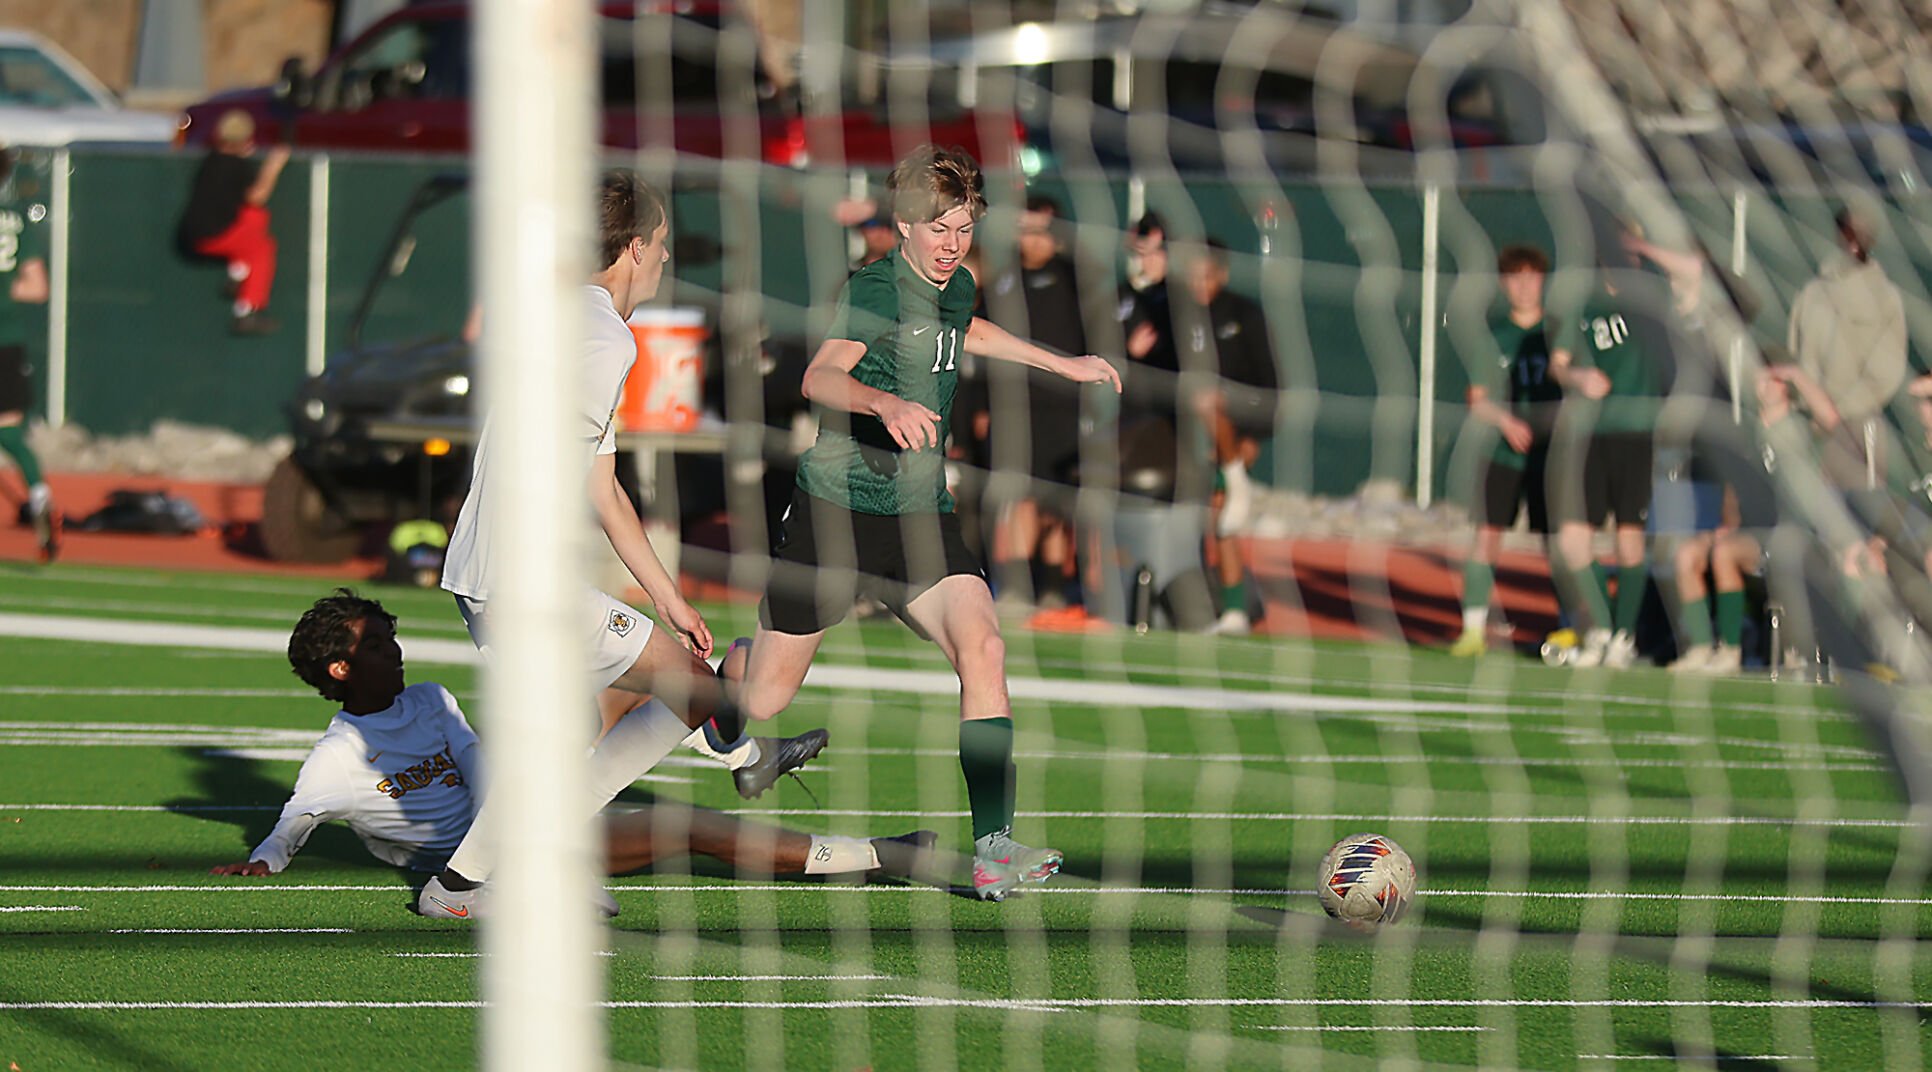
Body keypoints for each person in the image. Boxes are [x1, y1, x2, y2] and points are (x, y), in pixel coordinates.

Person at [723, 144, 1121, 901]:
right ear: (903, 224)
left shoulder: (958, 286)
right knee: (764, 697)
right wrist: (886, 403)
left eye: (964, 227)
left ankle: (994, 848)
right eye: (938, 228)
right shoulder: (873, 288)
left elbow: (968, 332)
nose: (952, 244)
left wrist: (1060, 362)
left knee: (986, 647)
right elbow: (819, 376)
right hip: (835, 517)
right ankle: (713, 693)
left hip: (919, 518)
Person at [422, 169, 819, 918]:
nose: (666, 259)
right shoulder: (604, 336)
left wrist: (670, 598)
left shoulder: (567, 320)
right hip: (521, 574)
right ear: (634, 247)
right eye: (662, 244)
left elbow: (603, 488)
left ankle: (493, 875)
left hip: (493, 568)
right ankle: (485, 879)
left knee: (603, 713)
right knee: (686, 690)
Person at [212, 591, 933, 901]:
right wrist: (262, 861)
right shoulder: (336, 757)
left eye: (393, 637)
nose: (396, 651)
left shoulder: (431, 698)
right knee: (686, 829)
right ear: (340, 669)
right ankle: (878, 853)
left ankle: (741, 751)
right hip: (511, 855)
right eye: (379, 645)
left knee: (630, 681)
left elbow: (481, 766)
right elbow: (292, 823)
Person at [1548, 234, 1671, 669]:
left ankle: (1623, 638)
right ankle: (1599, 626)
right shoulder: (1585, 302)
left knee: (1629, 540)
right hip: (1590, 437)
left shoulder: (1654, 301)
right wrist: (1579, 379)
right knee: (1573, 541)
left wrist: (1651, 247)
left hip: (1637, 435)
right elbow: (1557, 363)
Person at [1669, 364, 1840, 673]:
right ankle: (1702, 647)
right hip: (1749, 532)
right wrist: (1726, 524)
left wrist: (1799, 375)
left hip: (1789, 534)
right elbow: (1733, 488)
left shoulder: (1798, 427)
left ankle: (1733, 650)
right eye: (1759, 379)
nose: (1763, 386)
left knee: (1724, 554)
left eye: (1771, 379)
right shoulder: (1746, 430)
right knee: (1686, 554)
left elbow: (1830, 419)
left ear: (1785, 384)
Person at [980, 194, 1091, 619]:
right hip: (1013, 410)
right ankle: (1019, 585)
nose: (1033, 239)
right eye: (1026, 228)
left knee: (1056, 503)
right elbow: (979, 345)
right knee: (1020, 497)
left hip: (1063, 411)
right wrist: (978, 407)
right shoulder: (1002, 281)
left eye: (1042, 231)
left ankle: (1054, 585)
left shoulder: (1075, 281)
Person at [1450, 244, 1560, 657]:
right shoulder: (1494, 337)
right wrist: (1506, 421)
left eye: (1532, 278)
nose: (1524, 287)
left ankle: (1571, 626)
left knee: (1561, 542)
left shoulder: (1559, 332)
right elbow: (1477, 398)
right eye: (1516, 278)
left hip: (1549, 456)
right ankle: (1473, 628)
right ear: (1504, 284)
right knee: (1487, 536)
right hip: (1502, 453)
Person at [1171, 238, 1279, 635]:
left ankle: (1235, 609)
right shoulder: (1178, 315)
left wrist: (1253, 437)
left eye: (1207, 275)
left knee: (1222, 516)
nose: (1200, 283)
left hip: (1235, 428)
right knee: (1201, 519)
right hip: (1186, 435)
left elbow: (1272, 386)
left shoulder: (1245, 315)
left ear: (1223, 273)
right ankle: (1220, 603)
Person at [1788, 205, 1906, 491]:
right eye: (1849, 229)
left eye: (1863, 232)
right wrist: (1815, 408)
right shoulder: (1812, 293)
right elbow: (1799, 354)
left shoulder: (1886, 297)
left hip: (1860, 428)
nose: (1855, 238)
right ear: (1839, 233)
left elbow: (1890, 370)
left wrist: (1838, 411)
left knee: (1860, 519)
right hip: (1813, 427)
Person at [176, 110, 290, 335]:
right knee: (262, 250)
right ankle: (246, 312)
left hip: (192, 233)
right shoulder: (237, 165)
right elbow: (257, 196)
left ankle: (237, 274)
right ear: (247, 139)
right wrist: (273, 167)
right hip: (216, 235)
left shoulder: (211, 159)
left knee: (255, 218)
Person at [0, 145, 55, 561]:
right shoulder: (18, 218)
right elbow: (37, 288)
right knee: (10, 430)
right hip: (9, 338)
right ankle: (38, 494)